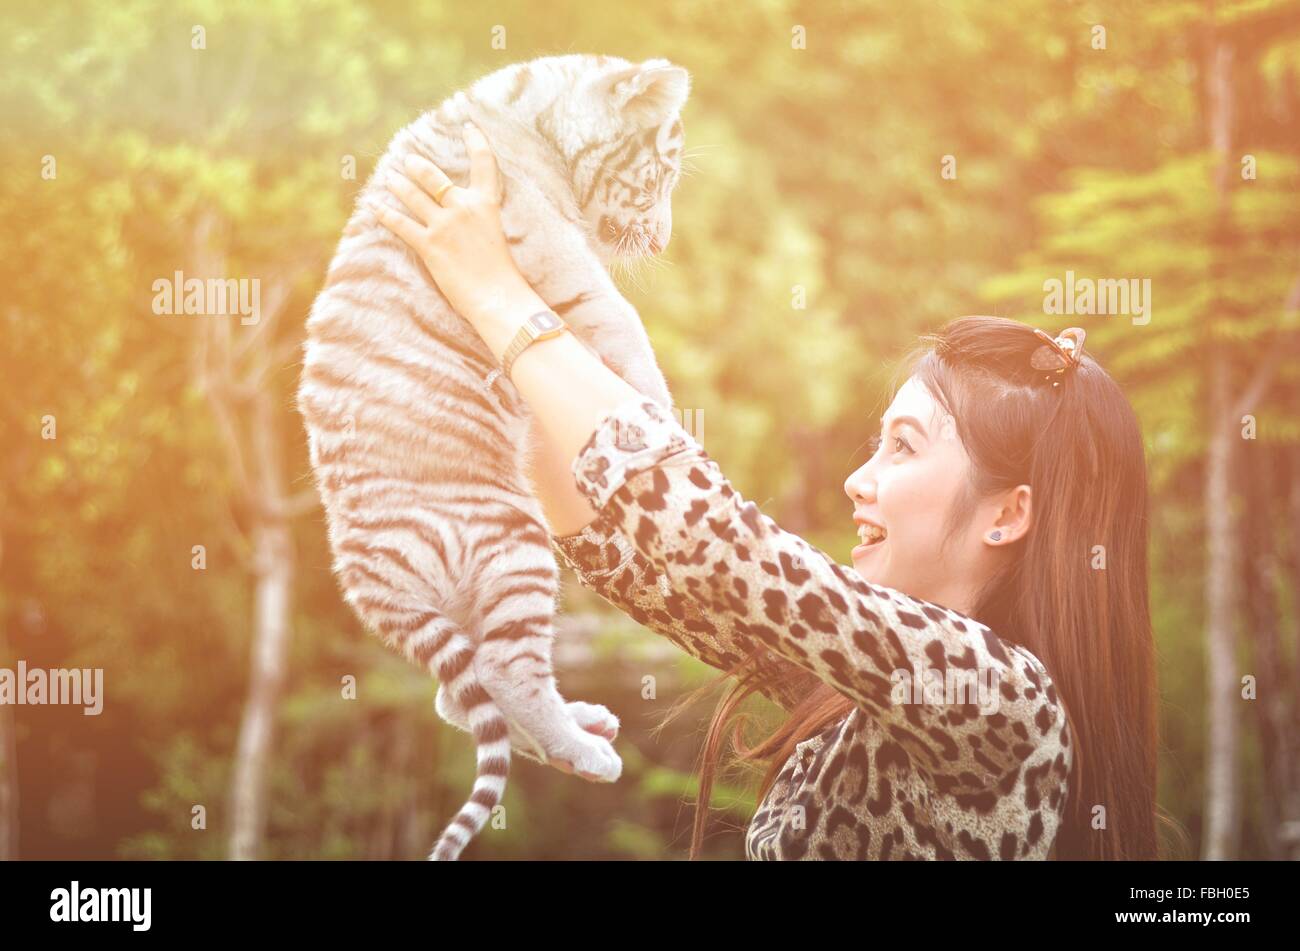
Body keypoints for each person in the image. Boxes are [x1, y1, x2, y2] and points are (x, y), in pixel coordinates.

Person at [370, 121, 1162, 860]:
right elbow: (646, 568)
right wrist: (501, 346)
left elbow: (720, 549)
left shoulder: (1002, 701)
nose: (859, 479)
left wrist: (499, 295)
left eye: (904, 446)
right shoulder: (873, 686)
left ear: (1009, 514)